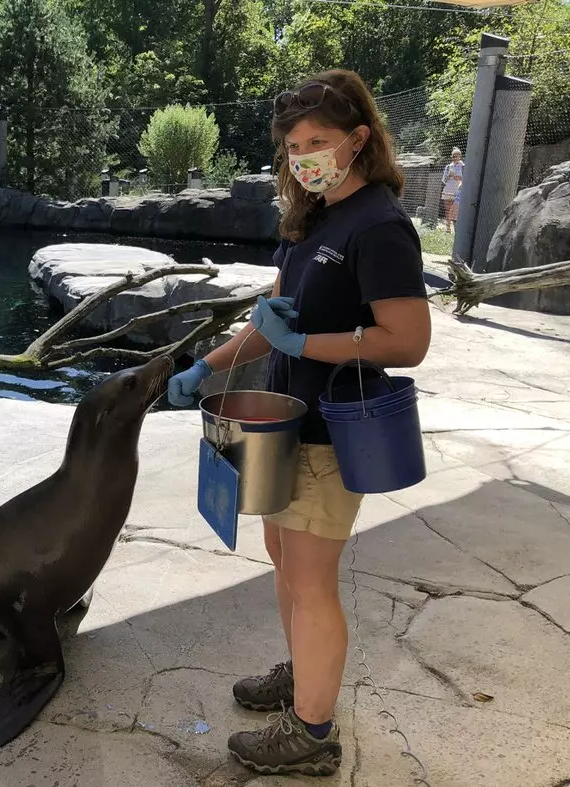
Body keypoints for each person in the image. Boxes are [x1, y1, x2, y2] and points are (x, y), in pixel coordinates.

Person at [167, 69, 432, 777]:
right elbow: (272, 318)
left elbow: (407, 340)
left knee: (312, 580)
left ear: (359, 139)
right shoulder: (315, 215)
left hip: (331, 432)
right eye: (292, 145)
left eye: (318, 140)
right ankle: (303, 675)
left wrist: (304, 345)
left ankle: (313, 732)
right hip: (282, 423)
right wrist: (210, 365)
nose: (304, 155)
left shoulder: (379, 224)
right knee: (284, 560)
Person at [441, 147, 464, 231]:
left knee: (456, 210)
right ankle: (448, 228)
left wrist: (460, 178)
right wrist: (448, 176)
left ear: (460, 156)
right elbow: (444, 180)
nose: (455, 158)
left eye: (457, 156)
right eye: (454, 156)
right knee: (447, 209)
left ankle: (456, 228)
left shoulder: (463, 166)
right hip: (448, 189)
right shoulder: (448, 167)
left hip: (458, 191)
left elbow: (467, 179)